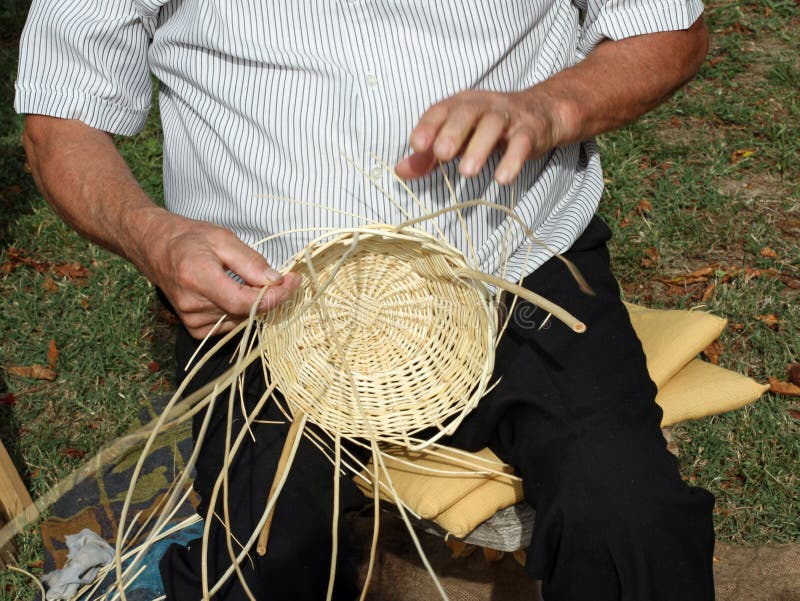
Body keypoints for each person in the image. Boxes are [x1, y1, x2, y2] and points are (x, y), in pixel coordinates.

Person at [16, 1, 714, 599]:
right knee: (268, 564)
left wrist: (550, 106)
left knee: (632, 522)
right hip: (267, 300)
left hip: (517, 265)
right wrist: (154, 238)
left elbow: (668, 29)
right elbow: (60, 120)